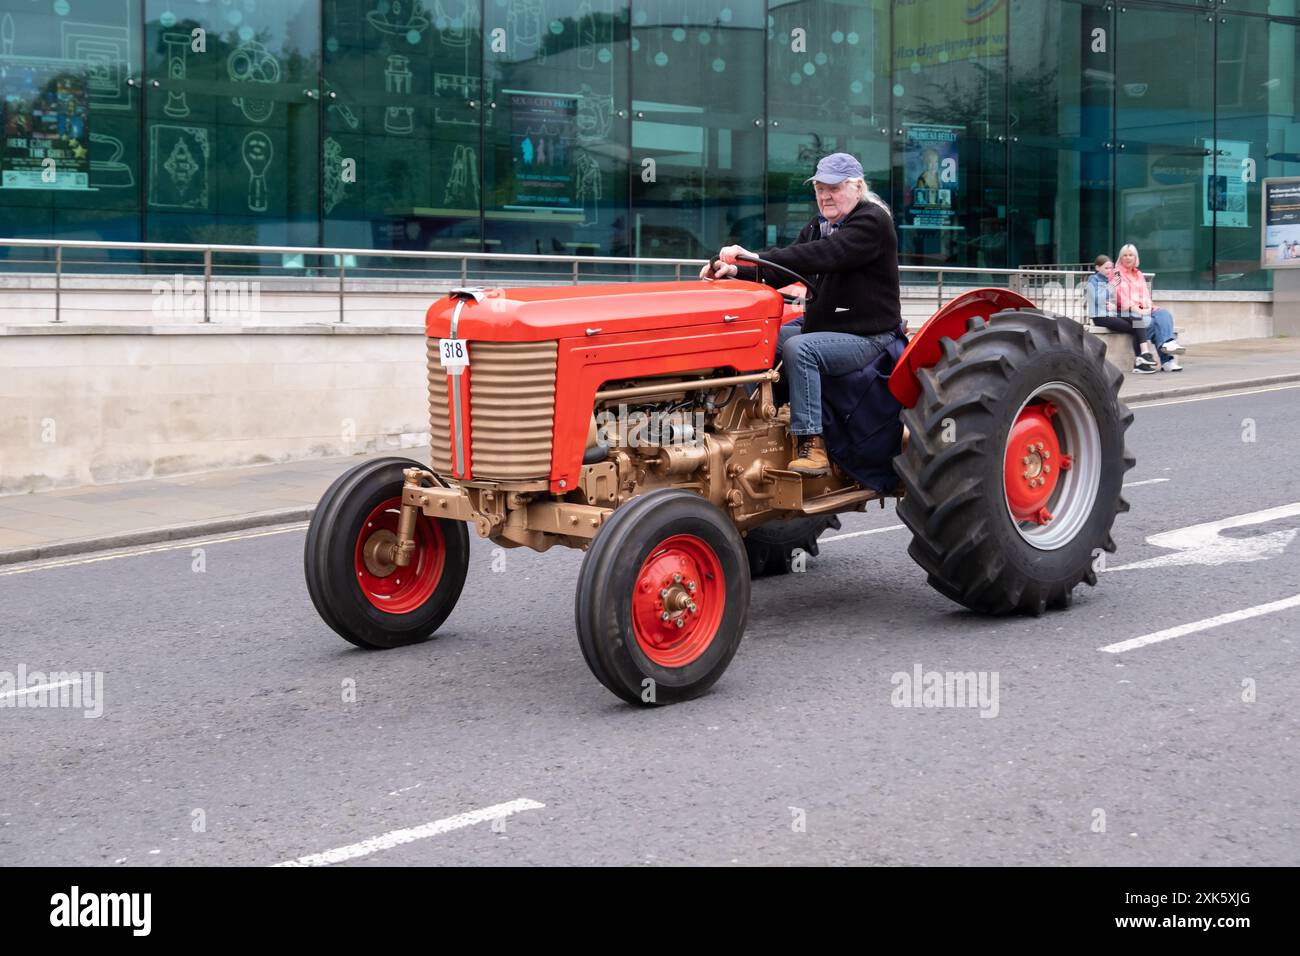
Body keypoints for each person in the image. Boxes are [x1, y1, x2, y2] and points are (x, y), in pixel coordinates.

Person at [700, 152, 902, 476]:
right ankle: (748, 419)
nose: (824, 196)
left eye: (833, 188)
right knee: (764, 339)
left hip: (868, 335)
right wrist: (732, 271)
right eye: (820, 189)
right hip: (828, 326)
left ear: (857, 187)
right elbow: (782, 271)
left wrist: (754, 255)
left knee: (800, 348)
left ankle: (813, 443)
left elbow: (820, 256)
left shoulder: (872, 221)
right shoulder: (820, 226)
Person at [1114, 243, 1185, 372]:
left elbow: (1145, 295)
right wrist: (1137, 309)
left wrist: (1146, 307)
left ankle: (1167, 343)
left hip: (1142, 309)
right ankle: (1166, 360)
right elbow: (1120, 295)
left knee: (1164, 314)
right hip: (1126, 311)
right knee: (1151, 323)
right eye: (1125, 255)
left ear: (1136, 258)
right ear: (1120, 258)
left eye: (1131, 255)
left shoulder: (1139, 274)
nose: (1128, 258)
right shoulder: (1116, 274)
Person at [1085, 254, 1156, 374]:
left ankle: (1144, 354)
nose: (1110, 271)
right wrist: (1111, 287)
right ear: (1098, 268)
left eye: (1111, 268)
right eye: (1106, 268)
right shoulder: (1094, 279)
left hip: (1113, 313)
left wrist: (1114, 305)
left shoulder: (1110, 280)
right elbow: (1098, 299)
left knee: (1138, 322)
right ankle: (1140, 363)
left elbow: (1114, 299)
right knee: (1136, 328)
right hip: (1100, 316)